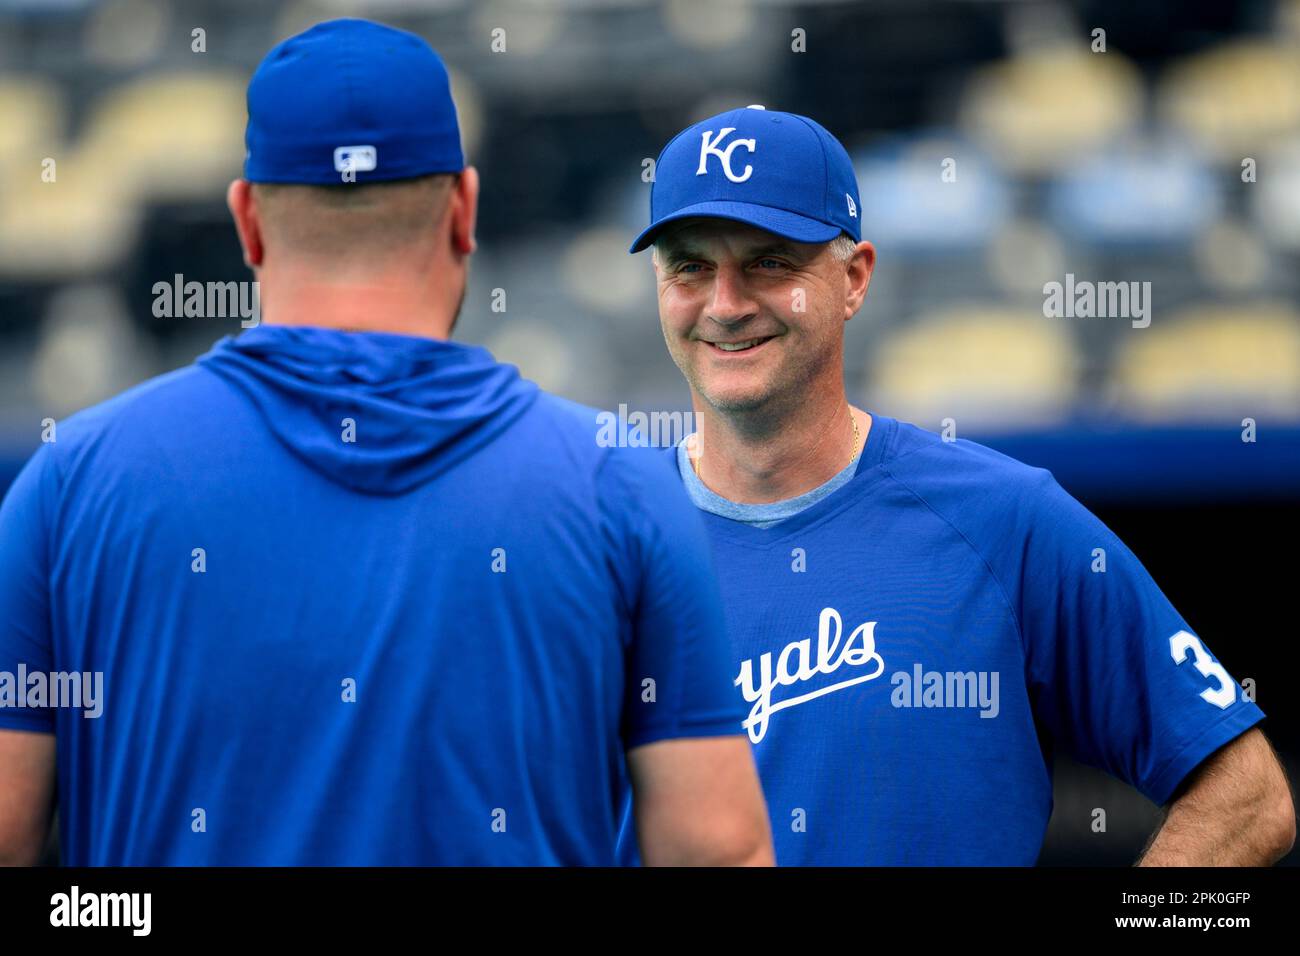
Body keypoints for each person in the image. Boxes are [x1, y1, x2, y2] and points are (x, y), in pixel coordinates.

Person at [0, 19, 773, 867]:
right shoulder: (618, 482)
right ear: (465, 210)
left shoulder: (71, 481)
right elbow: (716, 853)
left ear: (247, 222)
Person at [618, 105, 1294, 865]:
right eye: (690, 266)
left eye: (771, 262)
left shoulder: (1003, 520)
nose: (726, 303)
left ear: (854, 279)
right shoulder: (592, 552)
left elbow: (1247, 795)